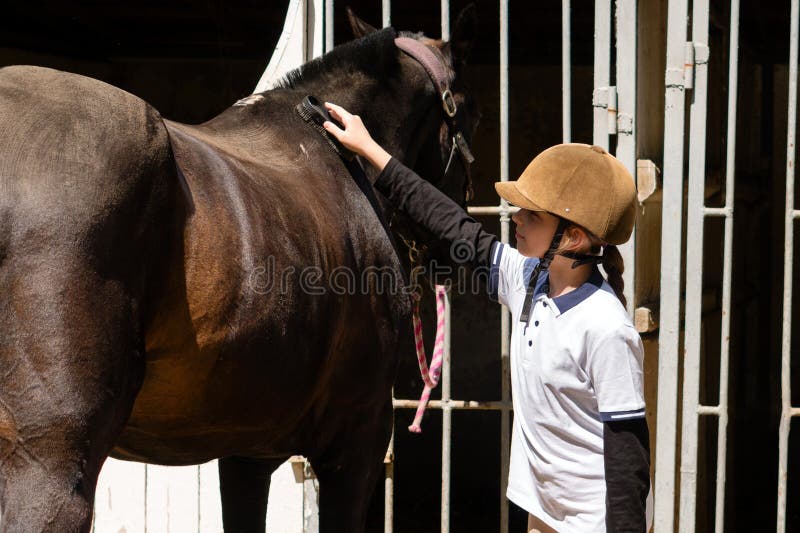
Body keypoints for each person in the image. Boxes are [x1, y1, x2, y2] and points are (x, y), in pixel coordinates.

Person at [322, 101, 653, 533]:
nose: (515, 218)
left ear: (572, 236)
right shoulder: (530, 279)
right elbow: (454, 227)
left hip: (597, 523)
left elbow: (628, 453)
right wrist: (372, 152)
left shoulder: (606, 328)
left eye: (531, 215)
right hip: (543, 515)